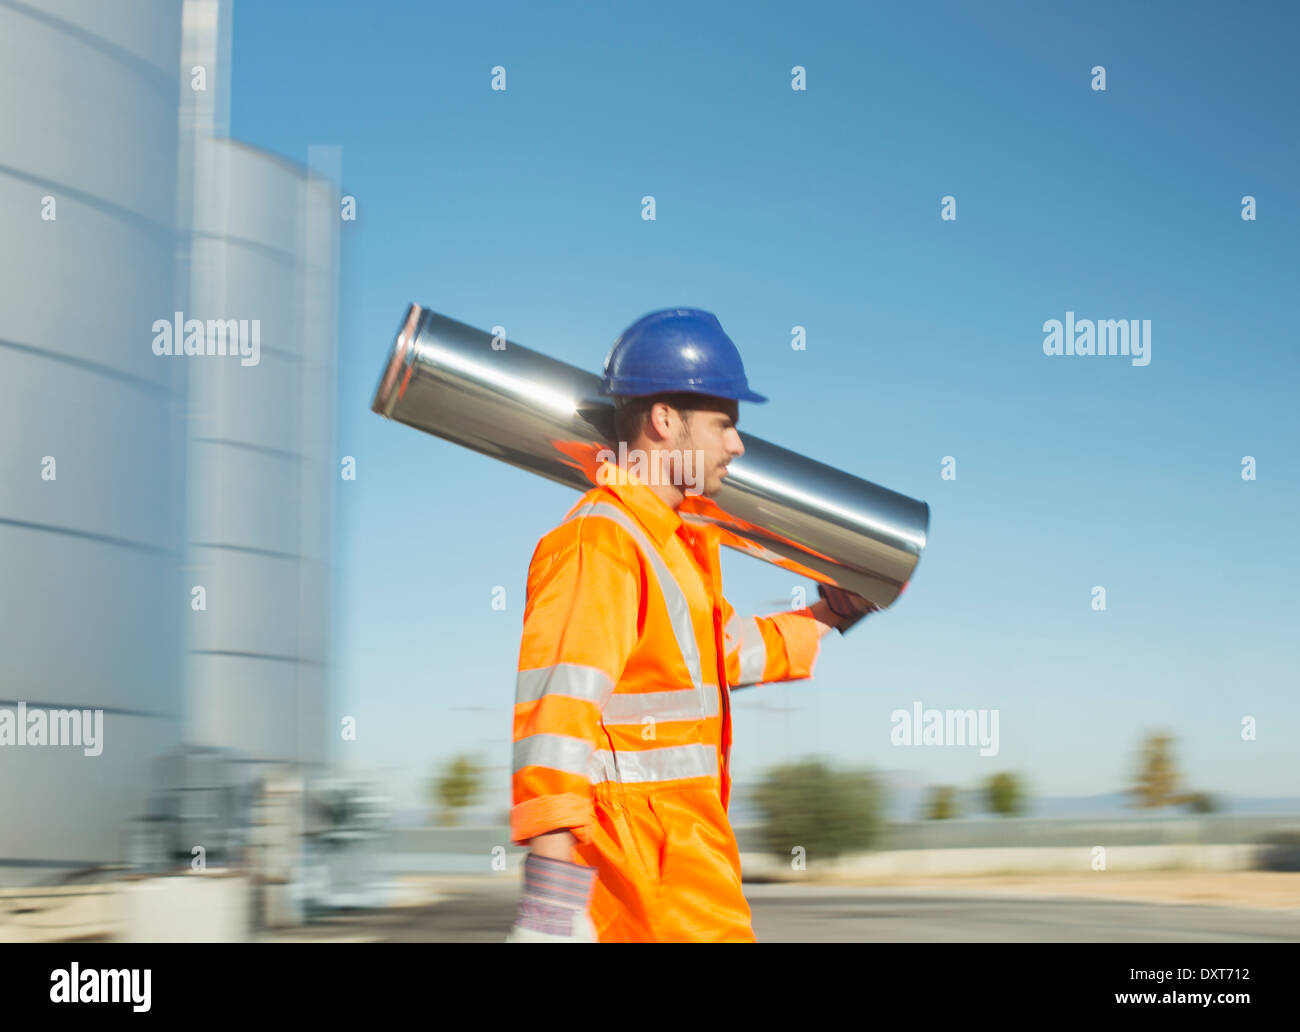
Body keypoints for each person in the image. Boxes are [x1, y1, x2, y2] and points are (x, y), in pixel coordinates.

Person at [506, 308, 876, 942]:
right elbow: (556, 720)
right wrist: (548, 906)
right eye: (726, 424)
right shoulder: (602, 540)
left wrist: (830, 616)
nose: (737, 445)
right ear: (665, 420)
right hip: (642, 890)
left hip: (686, 878)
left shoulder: (674, 546)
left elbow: (725, 654)